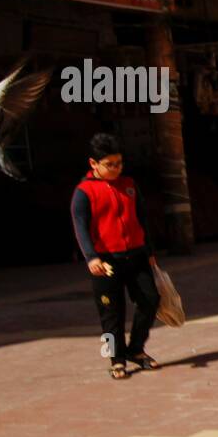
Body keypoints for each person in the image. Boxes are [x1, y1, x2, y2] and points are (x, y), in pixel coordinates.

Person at [70, 133, 161, 380]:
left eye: (119, 163)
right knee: (112, 313)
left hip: (137, 255)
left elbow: (141, 218)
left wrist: (150, 251)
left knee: (150, 300)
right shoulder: (83, 192)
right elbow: (80, 226)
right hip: (106, 262)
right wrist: (91, 257)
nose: (116, 168)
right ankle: (116, 359)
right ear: (93, 164)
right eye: (110, 164)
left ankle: (136, 349)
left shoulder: (129, 184)